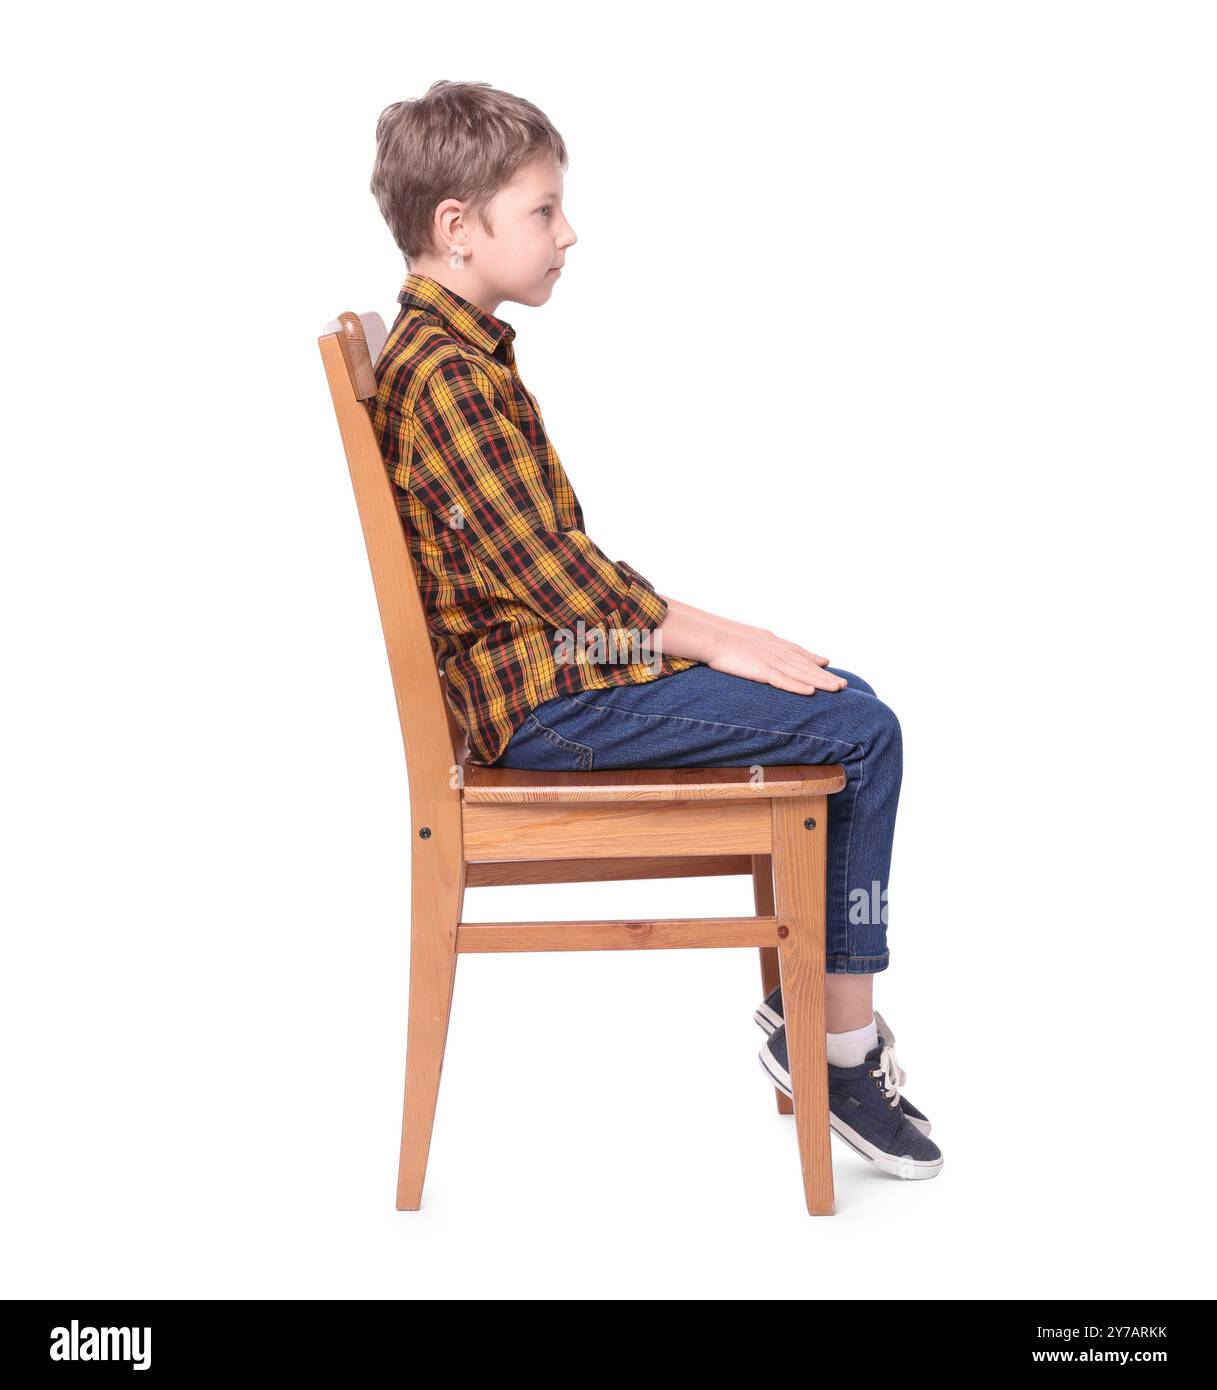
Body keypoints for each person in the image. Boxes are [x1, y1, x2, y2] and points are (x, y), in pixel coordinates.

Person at [368, 80, 942, 1181]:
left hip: (548, 674)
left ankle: (814, 1031)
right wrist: (714, 635)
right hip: (543, 705)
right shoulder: (446, 378)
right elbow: (559, 581)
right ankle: (838, 1050)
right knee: (862, 729)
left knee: (841, 694)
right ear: (457, 226)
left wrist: (704, 636)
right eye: (541, 210)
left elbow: (551, 574)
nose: (566, 231)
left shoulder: (458, 353)